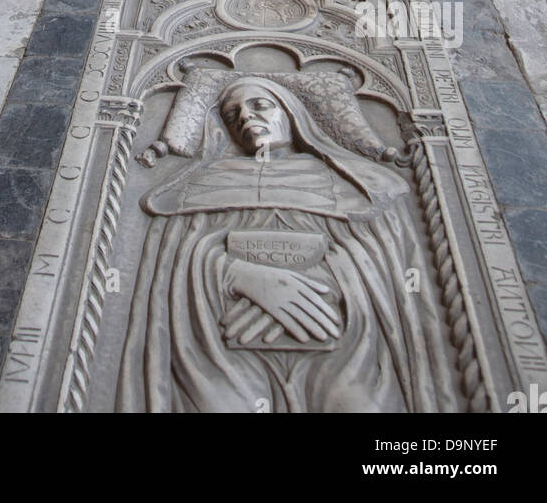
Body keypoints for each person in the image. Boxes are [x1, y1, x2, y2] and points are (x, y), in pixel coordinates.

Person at [116, 76, 458, 413]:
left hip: (340, 333)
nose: (246, 118)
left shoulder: (356, 183)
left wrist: (316, 287)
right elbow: (172, 265)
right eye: (233, 116)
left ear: (292, 113)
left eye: (260, 105)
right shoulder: (197, 185)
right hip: (218, 339)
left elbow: (386, 263)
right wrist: (238, 277)